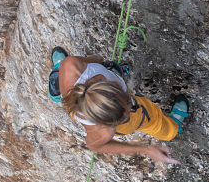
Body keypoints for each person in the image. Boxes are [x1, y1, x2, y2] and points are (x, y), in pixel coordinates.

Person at [47, 47, 189, 165]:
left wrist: (96, 59)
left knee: (66, 91)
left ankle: (58, 82)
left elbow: (93, 59)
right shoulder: (104, 131)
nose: (130, 111)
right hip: (87, 109)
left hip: (75, 102)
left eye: (128, 102)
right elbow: (93, 145)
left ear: (114, 86)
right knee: (149, 119)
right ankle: (172, 128)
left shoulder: (71, 65)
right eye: (124, 118)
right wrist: (146, 149)